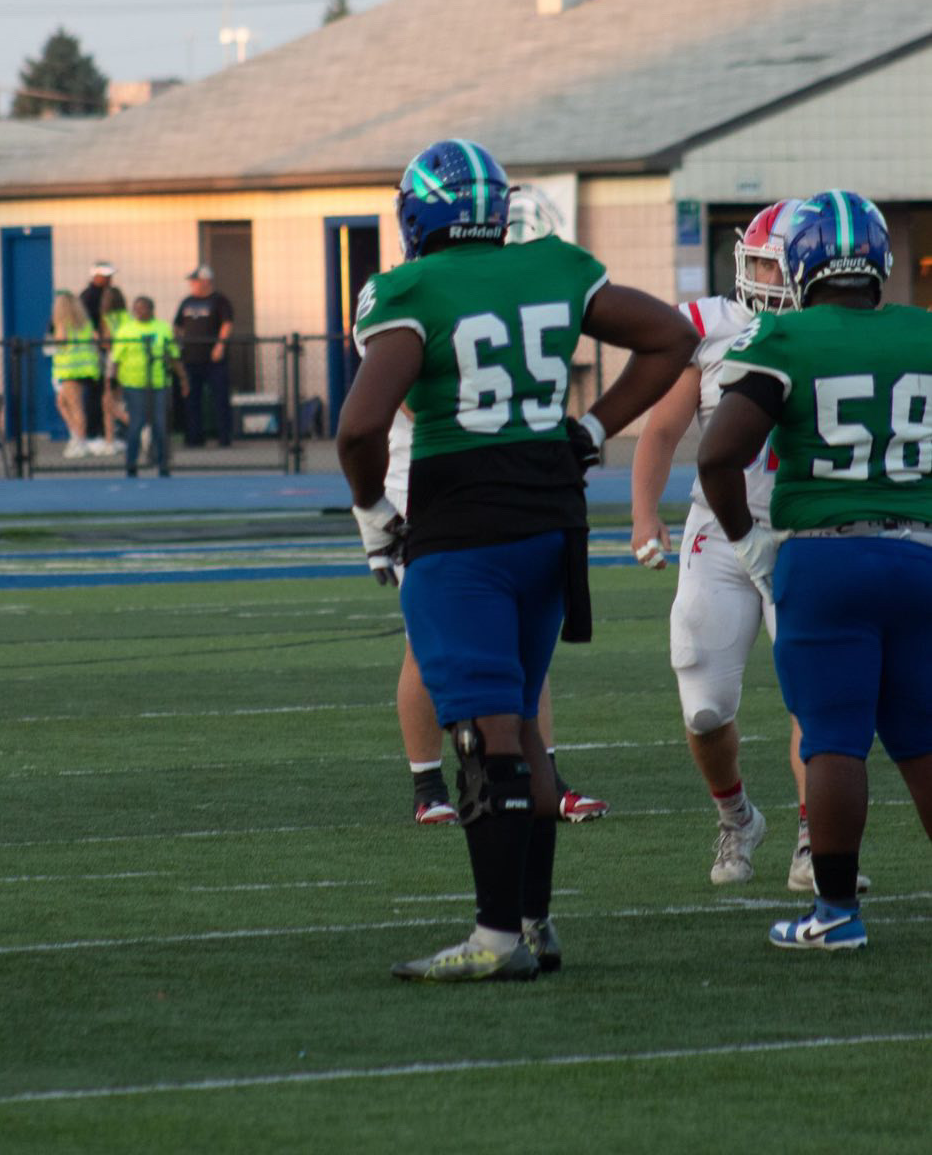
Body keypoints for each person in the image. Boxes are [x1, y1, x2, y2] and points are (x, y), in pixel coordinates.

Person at [337, 139, 697, 982]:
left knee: (484, 732)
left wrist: (372, 512)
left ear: (417, 215)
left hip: (463, 520)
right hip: (551, 516)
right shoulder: (555, 267)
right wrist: (594, 427)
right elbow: (670, 336)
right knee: (525, 727)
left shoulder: (408, 289)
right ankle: (533, 922)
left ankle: (496, 937)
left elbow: (358, 428)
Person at [698, 190, 932, 953]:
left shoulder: (784, 338)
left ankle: (834, 913)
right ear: (879, 263)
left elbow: (716, 455)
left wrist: (749, 544)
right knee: (922, 736)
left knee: (832, 738)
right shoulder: (923, 332)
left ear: (801, 267)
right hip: (918, 553)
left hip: (825, 555)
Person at [392, 186, 608, 828]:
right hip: (435, 478)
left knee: (526, 644)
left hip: (514, 481)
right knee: (427, 645)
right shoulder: (416, 289)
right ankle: (427, 780)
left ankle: (538, 769)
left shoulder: (524, 285)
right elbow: (412, 401)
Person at [630, 200, 831, 890]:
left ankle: (814, 837)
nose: (764, 277)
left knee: (815, 692)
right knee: (705, 702)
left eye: (775, 262)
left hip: (804, 531)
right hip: (718, 529)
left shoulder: (835, 332)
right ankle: (737, 817)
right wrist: (643, 516)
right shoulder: (715, 329)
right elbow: (660, 431)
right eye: (759, 263)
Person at [111, 296, 186, 478]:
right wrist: (114, 384)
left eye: (144, 308)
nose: (140, 312)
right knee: (136, 425)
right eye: (137, 308)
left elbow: (173, 356)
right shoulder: (125, 331)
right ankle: (131, 464)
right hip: (134, 384)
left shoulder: (162, 329)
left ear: (152, 310)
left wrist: (183, 379)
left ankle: (163, 464)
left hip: (159, 384)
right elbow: (116, 360)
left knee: (160, 425)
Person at [174, 266, 233, 448]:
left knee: (220, 398)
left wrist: (220, 345)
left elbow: (227, 323)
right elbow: (178, 325)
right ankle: (194, 438)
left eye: (195, 280)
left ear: (206, 281)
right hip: (191, 358)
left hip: (213, 360)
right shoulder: (187, 301)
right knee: (192, 399)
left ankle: (224, 438)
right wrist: (179, 343)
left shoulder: (219, 300)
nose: (192, 284)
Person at [48, 291, 101, 459]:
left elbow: (60, 341)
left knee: (74, 405)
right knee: (63, 402)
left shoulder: (63, 324)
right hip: (83, 368)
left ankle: (80, 440)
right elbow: (95, 339)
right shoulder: (85, 323)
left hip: (71, 369)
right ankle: (77, 436)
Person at [78, 262, 115, 451]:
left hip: (104, 349)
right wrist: (98, 339)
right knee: (94, 393)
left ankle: (104, 432)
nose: (109, 279)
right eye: (106, 276)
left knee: (105, 393)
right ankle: (93, 433)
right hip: (94, 352)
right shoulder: (89, 296)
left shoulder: (109, 294)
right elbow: (89, 323)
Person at [99, 284, 130, 453]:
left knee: (108, 402)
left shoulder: (108, 318)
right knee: (116, 400)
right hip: (129, 361)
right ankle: (111, 439)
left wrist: (97, 339)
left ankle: (132, 425)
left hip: (114, 360)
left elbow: (106, 342)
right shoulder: (128, 317)